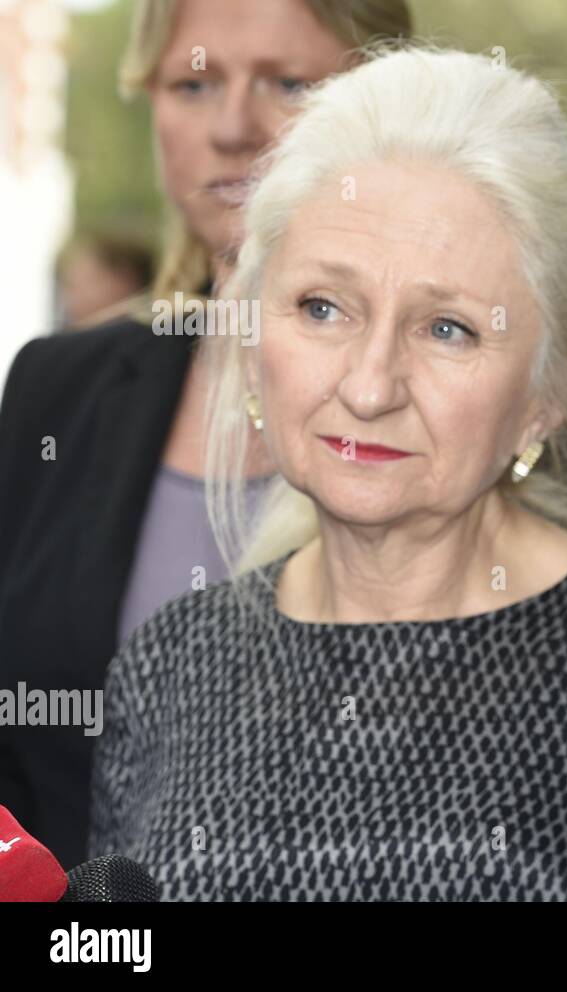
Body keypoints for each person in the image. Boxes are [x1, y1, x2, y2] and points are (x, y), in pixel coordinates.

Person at [86, 45, 567, 901]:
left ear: (551, 393)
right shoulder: (167, 667)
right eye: (323, 308)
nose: (368, 388)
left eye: (449, 329)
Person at [0, 0, 413, 869]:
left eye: (290, 82)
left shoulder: (482, 402)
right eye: (193, 83)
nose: (234, 128)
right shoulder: (56, 388)